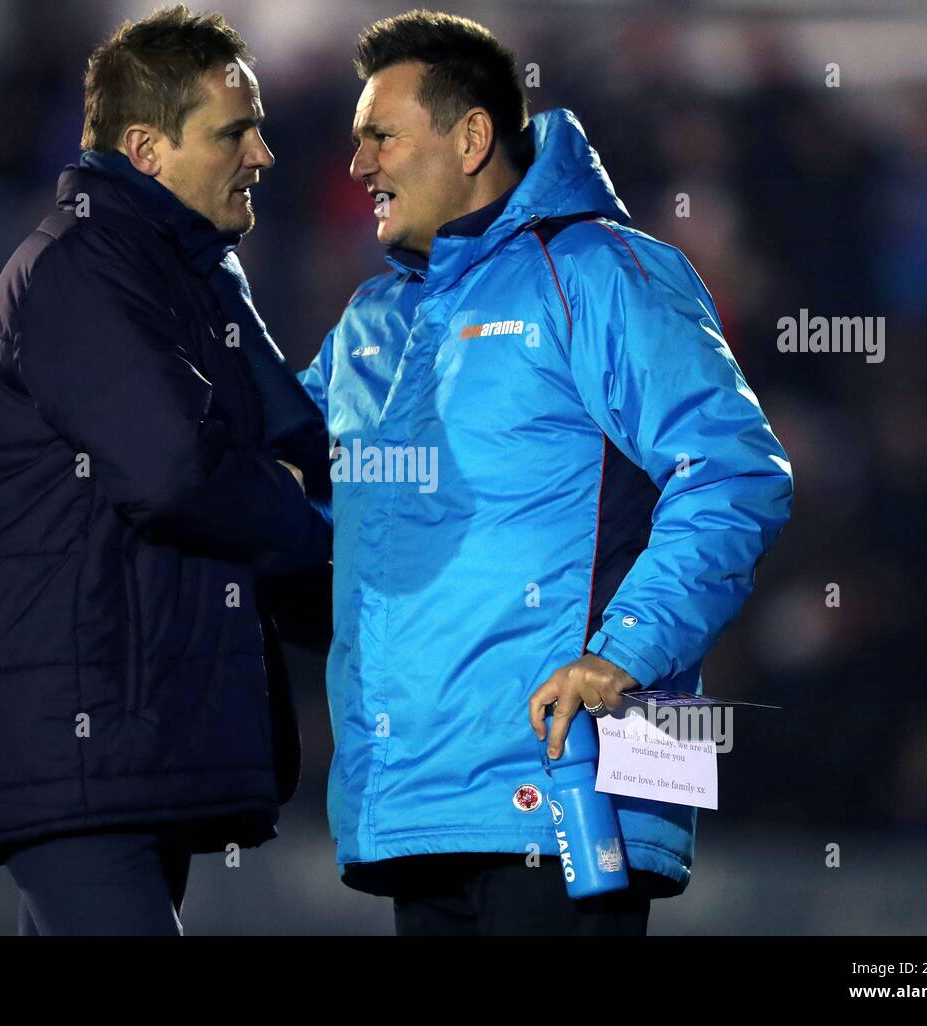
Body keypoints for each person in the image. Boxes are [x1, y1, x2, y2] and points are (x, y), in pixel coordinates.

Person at [298, 10, 794, 936]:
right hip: (418, 812)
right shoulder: (371, 324)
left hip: (569, 793)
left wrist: (627, 652)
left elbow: (734, 473)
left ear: (474, 135)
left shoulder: (601, 272)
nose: (357, 162)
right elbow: (264, 477)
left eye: (381, 135)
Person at [0, 5, 329, 936]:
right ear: (146, 149)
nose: (263, 153)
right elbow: (180, 472)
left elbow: (302, 447)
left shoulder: (189, 275)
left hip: (137, 733)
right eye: (235, 131)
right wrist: (324, 537)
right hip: (83, 735)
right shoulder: (79, 269)